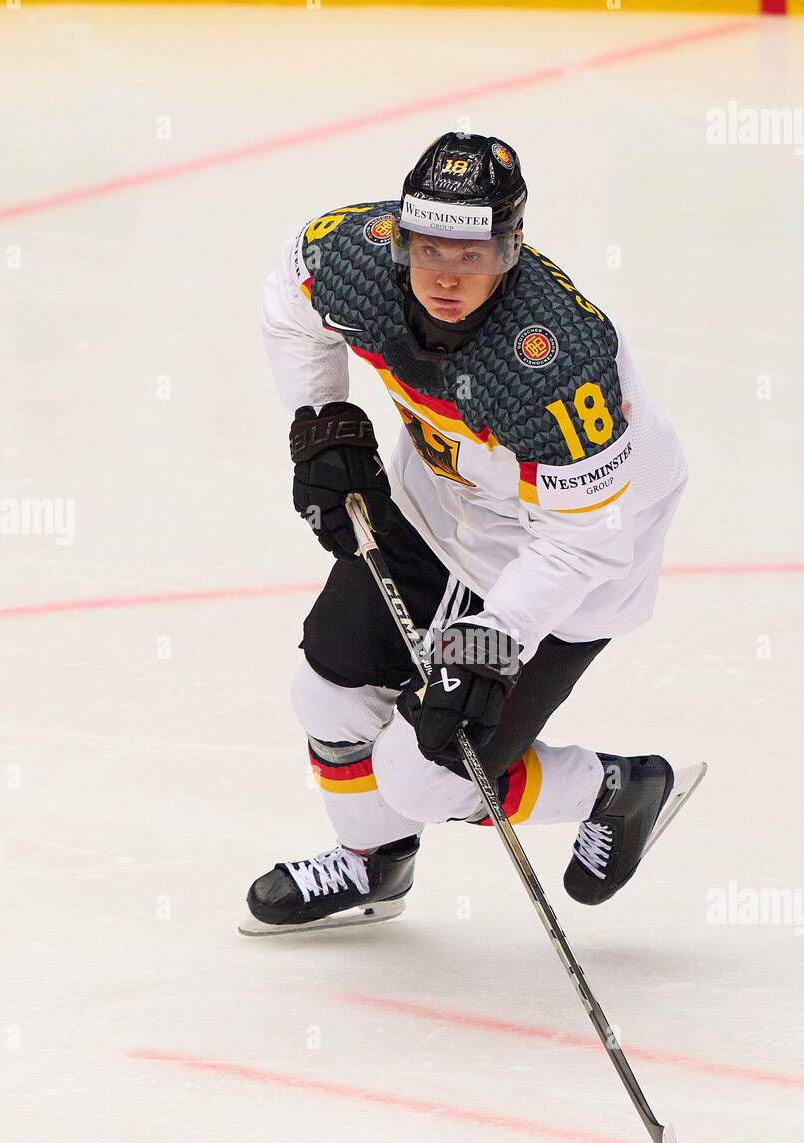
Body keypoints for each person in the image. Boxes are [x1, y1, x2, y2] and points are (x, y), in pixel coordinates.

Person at [244, 132, 688, 935]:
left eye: (473, 256)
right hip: (443, 502)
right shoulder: (354, 257)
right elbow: (288, 301)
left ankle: (614, 790)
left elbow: (580, 542)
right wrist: (324, 417)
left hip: (576, 547)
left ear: (512, 251)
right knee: (327, 690)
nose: (447, 277)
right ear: (401, 237)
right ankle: (371, 864)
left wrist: (489, 646)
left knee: (428, 778)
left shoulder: (555, 366)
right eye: (430, 250)